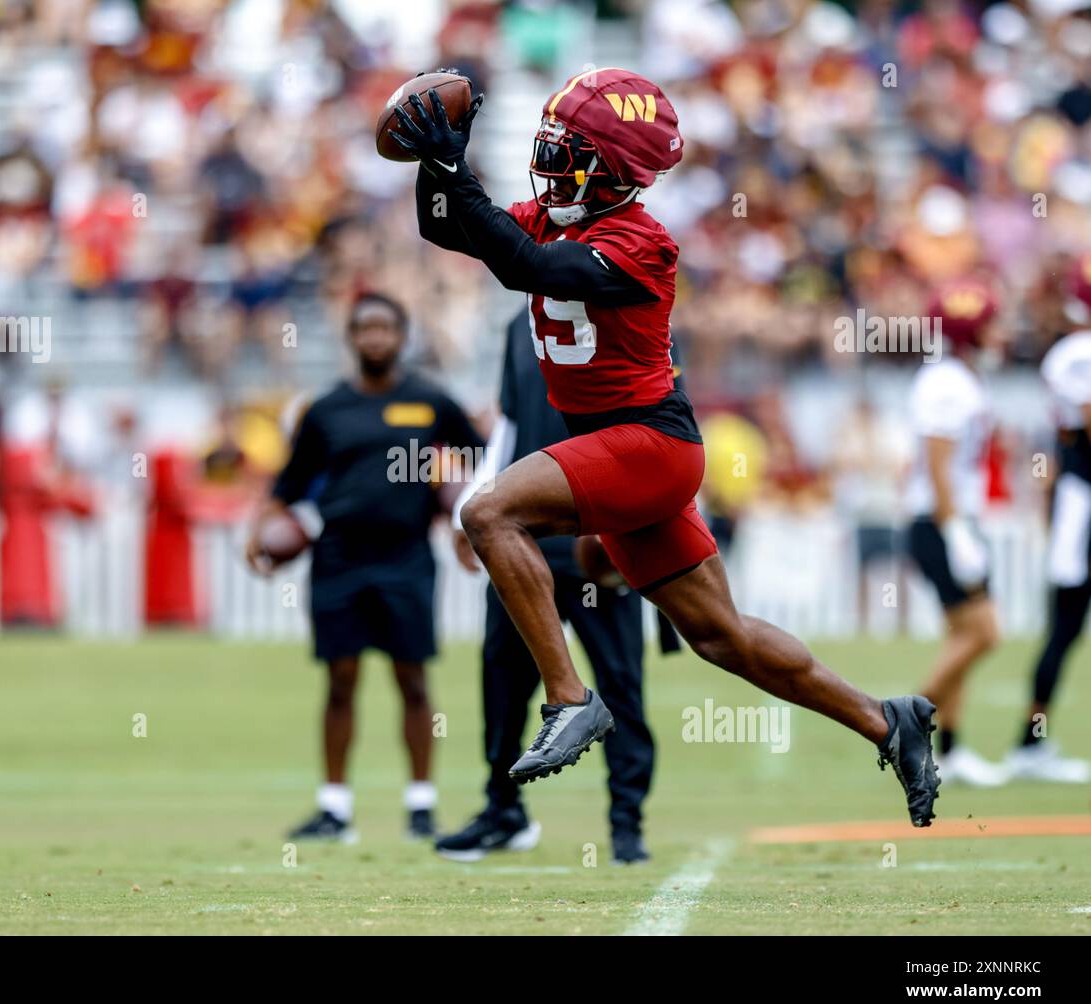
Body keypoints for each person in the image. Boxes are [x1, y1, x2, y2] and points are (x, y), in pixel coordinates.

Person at [390, 68, 938, 826]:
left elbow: (526, 266)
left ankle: (570, 697)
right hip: (616, 448)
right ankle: (888, 720)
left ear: (615, 166)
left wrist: (456, 171)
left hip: (648, 444)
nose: (551, 158)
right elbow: (445, 223)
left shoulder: (641, 238)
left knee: (489, 516)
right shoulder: (565, 217)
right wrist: (437, 162)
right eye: (550, 141)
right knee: (722, 635)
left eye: (569, 147)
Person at [246, 292, 485, 842]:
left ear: (402, 336)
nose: (375, 337)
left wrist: (464, 516)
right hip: (339, 557)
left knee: (413, 679)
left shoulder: (431, 401)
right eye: (364, 328)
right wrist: (258, 530)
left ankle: (421, 806)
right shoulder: (327, 408)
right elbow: (288, 485)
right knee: (340, 680)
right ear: (351, 338)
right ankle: (335, 809)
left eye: (385, 328)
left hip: (406, 556)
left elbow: (482, 460)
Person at [438, 313, 663, 866]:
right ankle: (502, 811)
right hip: (522, 536)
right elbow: (510, 426)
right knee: (502, 681)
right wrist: (473, 507)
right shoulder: (518, 324)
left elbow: (662, 419)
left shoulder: (623, 302)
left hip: (599, 536)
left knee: (621, 685)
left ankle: (626, 825)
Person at [903, 280, 1008, 786]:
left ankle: (954, 747)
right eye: (992, 323)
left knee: (962, 635)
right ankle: (904, 721)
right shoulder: (947, 383)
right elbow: (938, 466)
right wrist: (958, 532)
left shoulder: (957, 378)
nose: (1002, 332)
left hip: (947, 520)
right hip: (940, 522)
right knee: (985, 633)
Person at [1007, 256, 1091, 783]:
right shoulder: (1077, 355)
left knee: (1063, 629)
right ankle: (1029, 743)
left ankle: (1028, 741)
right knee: (1064, 626)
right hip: (1082, 500)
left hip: (1074, 494)